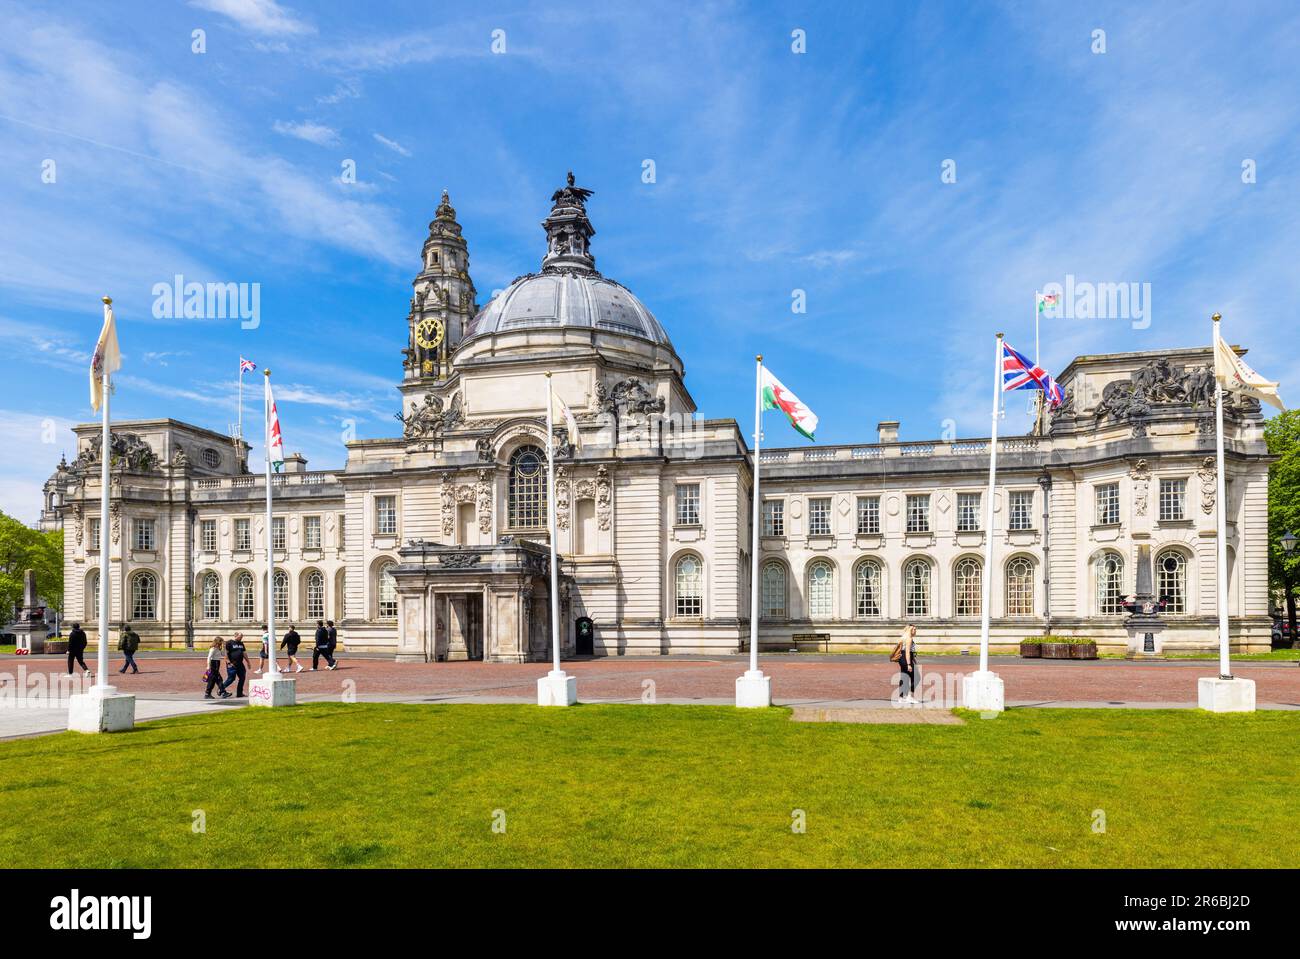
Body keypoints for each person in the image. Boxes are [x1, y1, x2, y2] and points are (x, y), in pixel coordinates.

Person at [892, 624, 919, 705]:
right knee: (916, 677)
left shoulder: (904, 638)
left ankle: (901, 698)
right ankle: (910, 697)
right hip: (906, 659)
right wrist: (909, 664)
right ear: (910, 630)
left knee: (904, 677)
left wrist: (913, 659)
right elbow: (907, 652)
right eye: (914, 629)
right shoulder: (909, 639)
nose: (915, 631)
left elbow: (906, 651)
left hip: (902, 659)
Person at [222, 631, 250, 697]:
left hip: (240, 664)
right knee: (231, 678)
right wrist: (228, 661)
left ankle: (239, 693)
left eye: (242, 637)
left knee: (242, 677)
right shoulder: (229, 643)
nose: (241, 638)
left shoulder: (241, 644)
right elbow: (225, 653)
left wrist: (248, 662)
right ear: (235, 636)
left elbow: (244, 653)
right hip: (232, 664)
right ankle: (221, 689)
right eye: (240, 637)